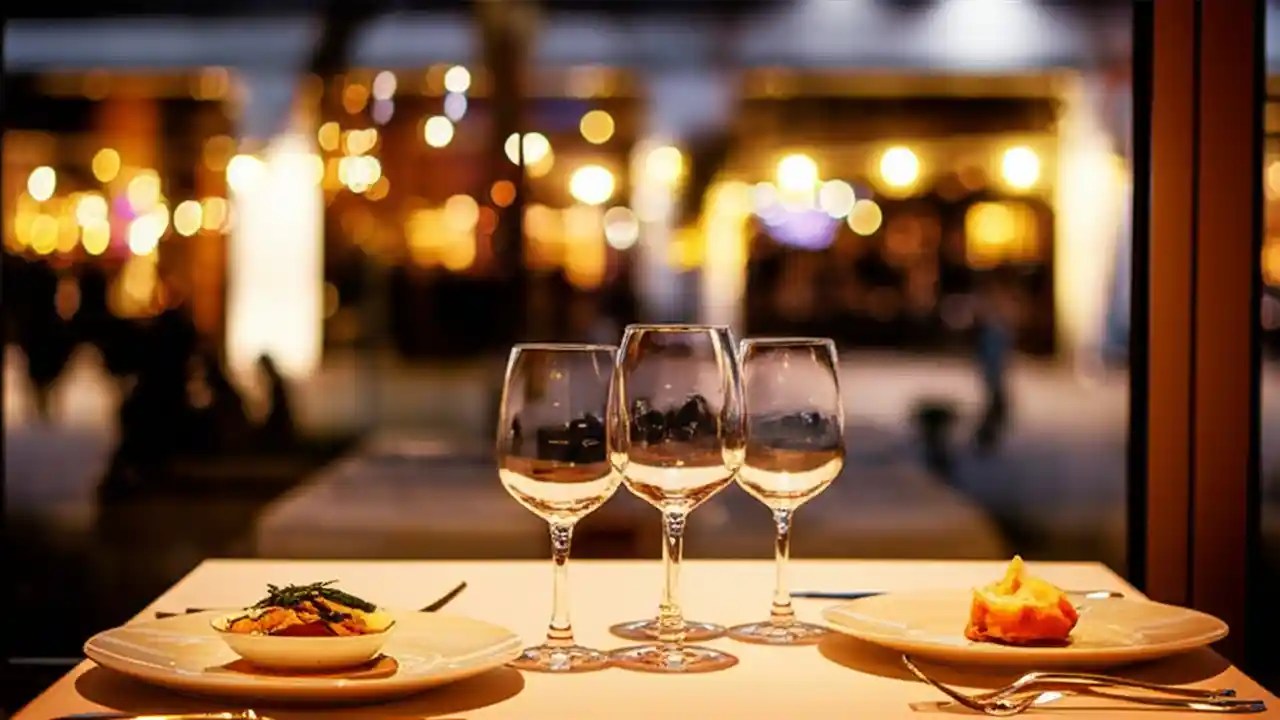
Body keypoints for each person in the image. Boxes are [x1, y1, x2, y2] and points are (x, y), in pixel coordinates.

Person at [973, 270, 1018, 453]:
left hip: (995, 368)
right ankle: (984, 437)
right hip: (993, 368)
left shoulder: (997, 321)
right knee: (997, 403)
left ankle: (986, 437)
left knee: (997, 404)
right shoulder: (992, 322)